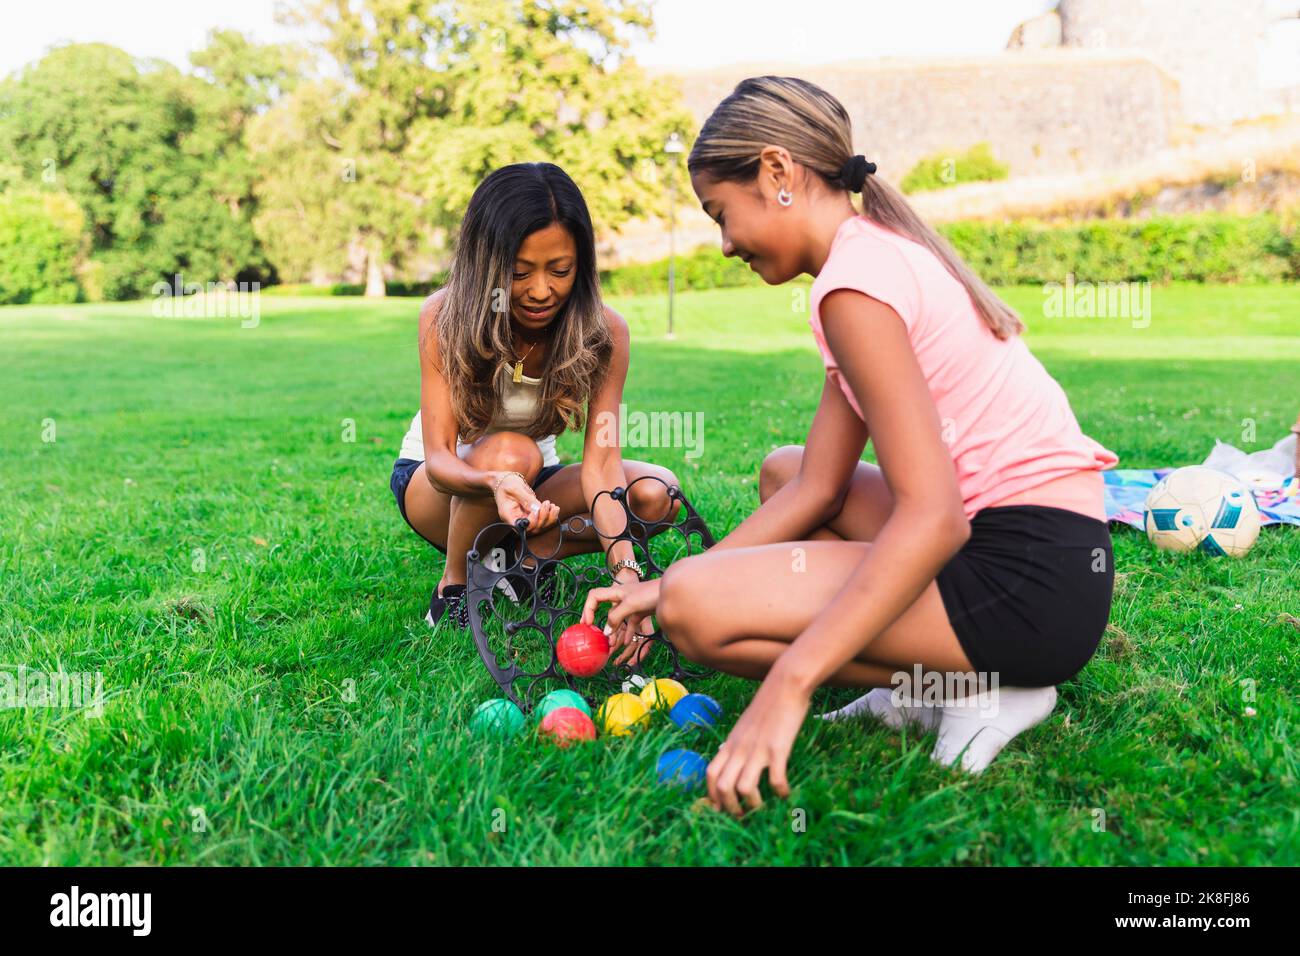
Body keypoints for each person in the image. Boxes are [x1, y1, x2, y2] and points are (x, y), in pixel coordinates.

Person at [583, 76, 1119, 814]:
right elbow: (818, 489)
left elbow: (934, 519)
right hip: (1043, 558)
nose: (725, 242)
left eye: (721, 214)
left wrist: (789, 684)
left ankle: (987, 687)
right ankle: (935, 682)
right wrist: (650, 586)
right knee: (784, 473)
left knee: (695, 610)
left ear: (776, 173)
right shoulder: (866, 259)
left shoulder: (854, 288)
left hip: (1030, 587)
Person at [391, 162, 678, 641]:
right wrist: (496, 480)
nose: (542, 291)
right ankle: (455, 588)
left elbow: (602, 465)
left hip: (533, 488)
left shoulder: (605, 331)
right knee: (512, 453)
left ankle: (515, 567)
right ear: (486, 264)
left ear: (580, 266)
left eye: (560, 270)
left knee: (655, 493)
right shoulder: (443, 315)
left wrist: (626, 571)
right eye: (520, 272)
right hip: (441, 485)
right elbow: (439, 457)